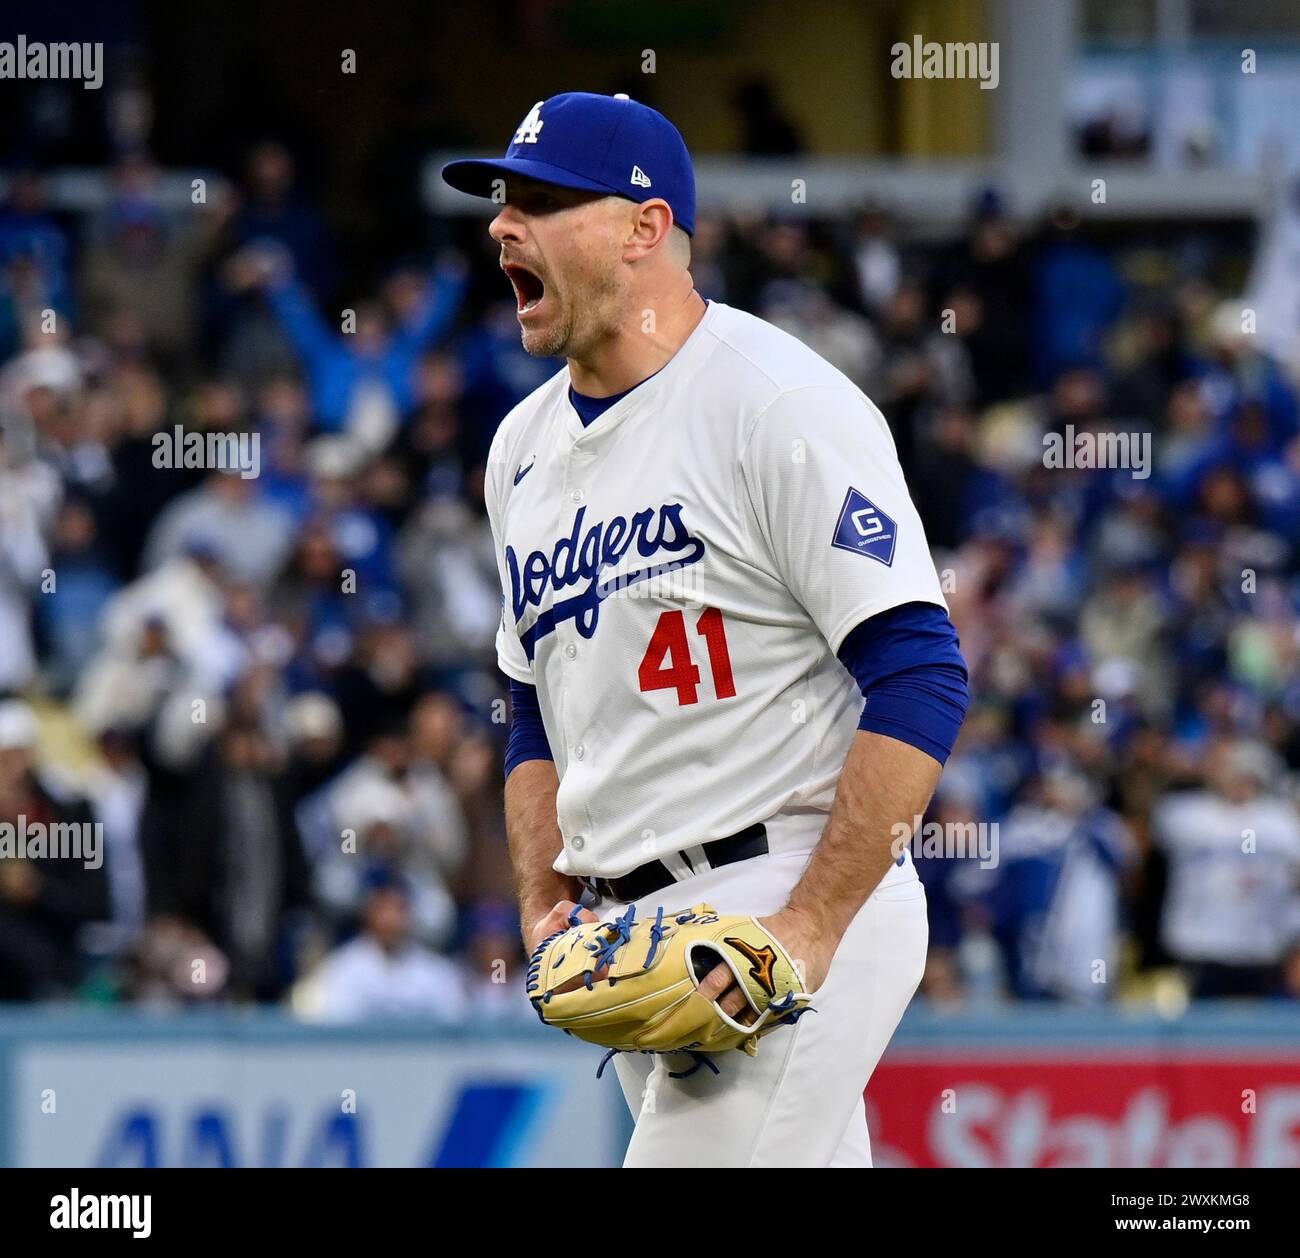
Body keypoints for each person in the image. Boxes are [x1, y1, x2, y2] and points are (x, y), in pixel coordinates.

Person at [441, 92, 969, 1167]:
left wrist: (811, 928)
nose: (503, 224)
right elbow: (532, 707)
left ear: (645, 228)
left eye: (541, 200)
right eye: (503, 200)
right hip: (633, 934)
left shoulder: (774, 403)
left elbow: (921, 674)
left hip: (780, 902)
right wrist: (544, 897)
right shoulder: (519, 450)